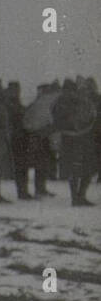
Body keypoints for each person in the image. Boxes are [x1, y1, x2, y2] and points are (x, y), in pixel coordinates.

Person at [53, 78, 96, 206]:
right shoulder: (61, 103)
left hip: (78, 138)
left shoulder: (76, 101)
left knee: (84, 169)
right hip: (72, 139)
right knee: (76, 170)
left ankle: (79, 197)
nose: (70, 92)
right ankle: (77, 198)